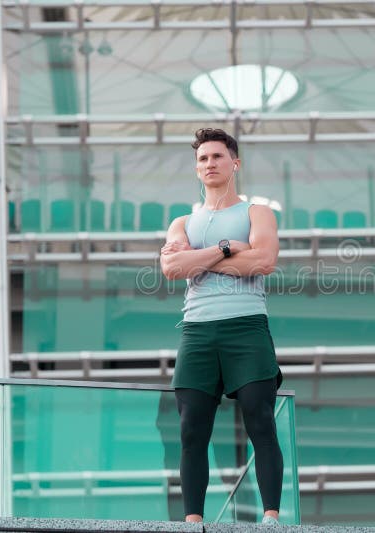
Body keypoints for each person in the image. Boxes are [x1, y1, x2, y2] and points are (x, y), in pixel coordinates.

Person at [159, 128, 283, 524]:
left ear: (235, 164)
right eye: (202, 159)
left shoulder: (256, 214)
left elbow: (263, 262)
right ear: (197, 170)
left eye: (216, 156)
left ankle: (271, 519)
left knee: (259, 420)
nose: (209, 164)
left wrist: (200, 260)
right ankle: (193, 521)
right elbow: (172, 269)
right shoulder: (182, 222)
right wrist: (229, 248)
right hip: (197, 331)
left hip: (246, 327)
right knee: (191, 430)